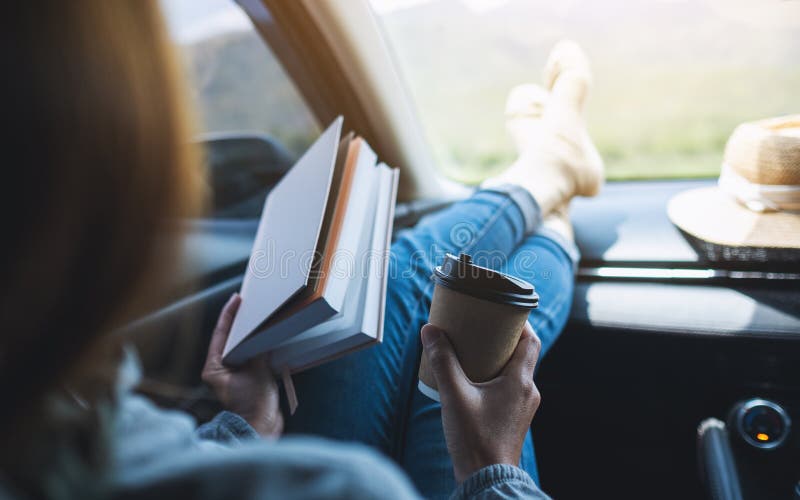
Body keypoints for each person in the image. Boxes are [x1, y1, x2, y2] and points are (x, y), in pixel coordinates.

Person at [0, 2, 601, 499]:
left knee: (395, 285)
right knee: (442, 318)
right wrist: (493, 467)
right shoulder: (343, 489)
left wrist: (244, 425)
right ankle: (551, 180)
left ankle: (552, 199)